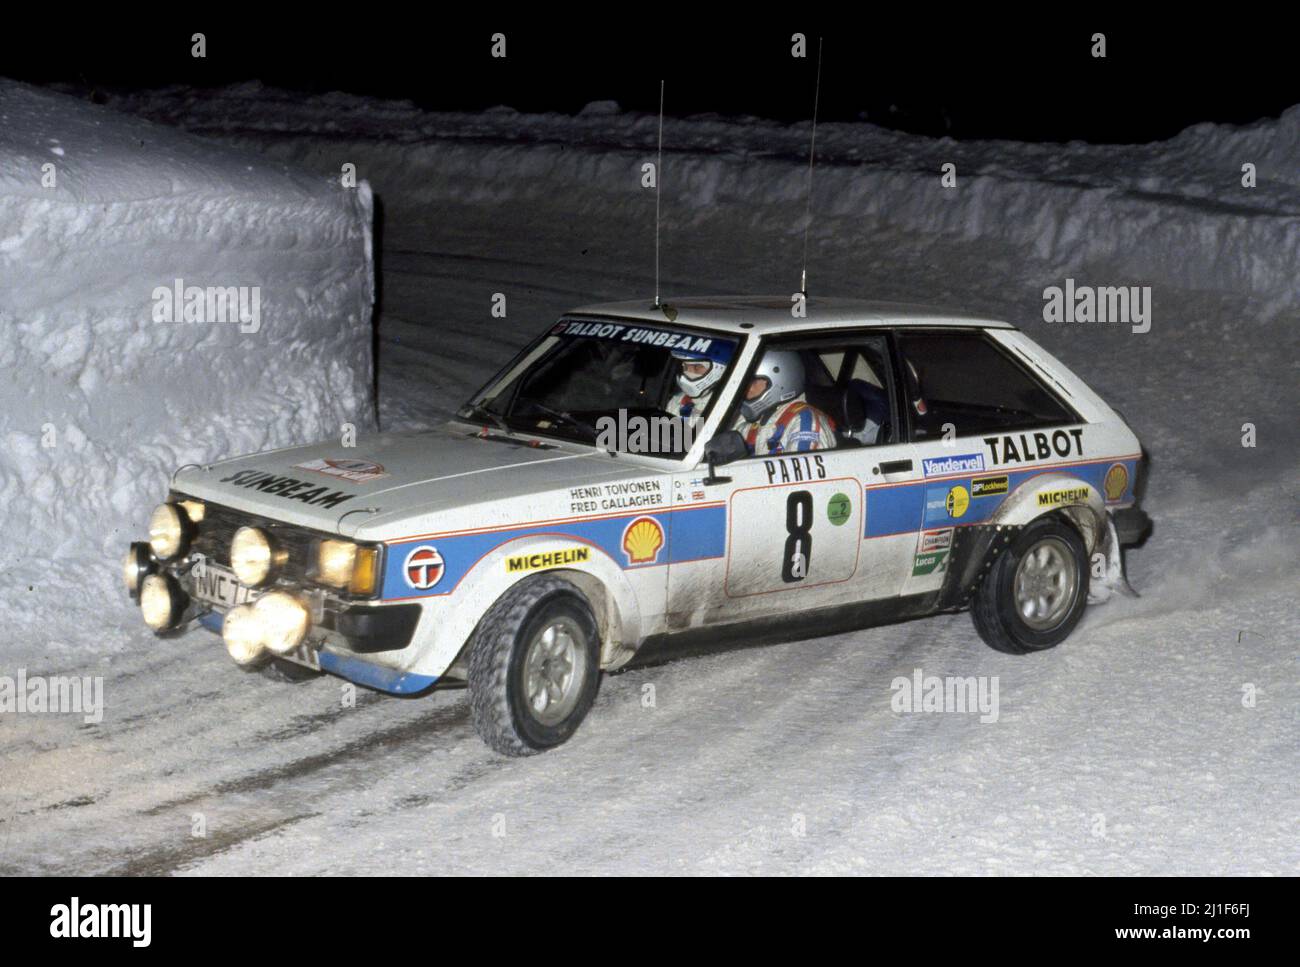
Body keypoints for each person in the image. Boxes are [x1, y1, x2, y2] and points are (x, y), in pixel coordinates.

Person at [734, 350, 837, 455]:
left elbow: (802, 468)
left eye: (752, 382)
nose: (747, 389)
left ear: (779, 380)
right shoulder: (755, 418)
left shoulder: (805, 421)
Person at [665, 349, 725, 430]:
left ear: (718, 369)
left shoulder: (724, 407)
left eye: (697, 367)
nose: (687, 372)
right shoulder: (678, 400)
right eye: (685, 367)